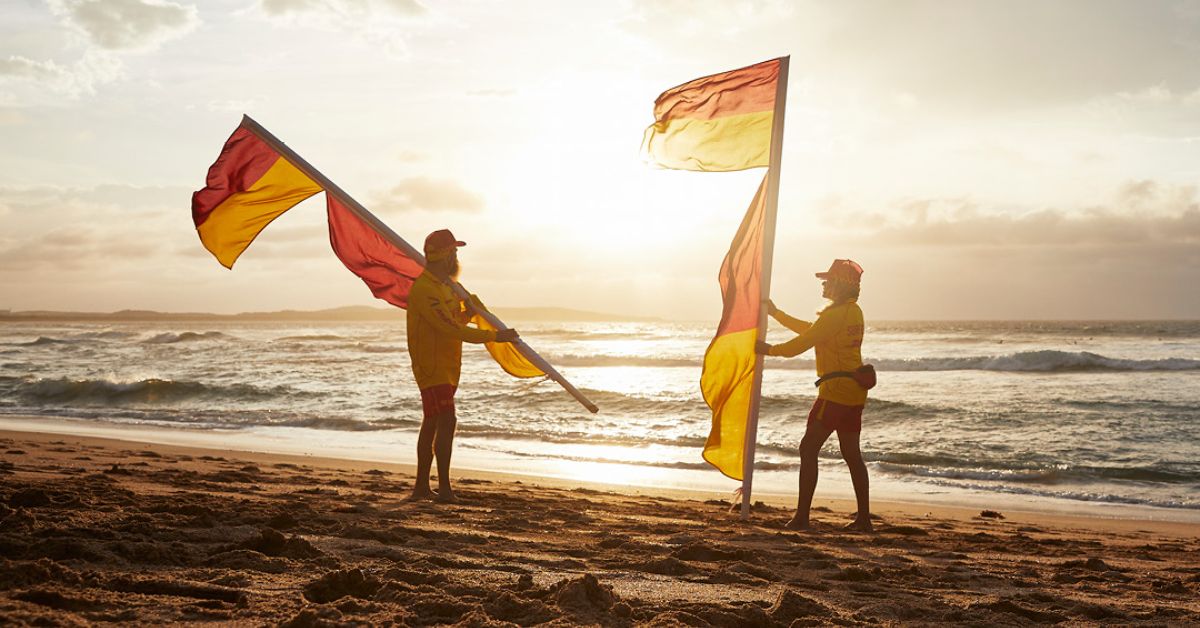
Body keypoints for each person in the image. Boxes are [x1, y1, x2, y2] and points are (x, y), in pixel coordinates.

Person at [756, 259, 872, 532]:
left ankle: (802, 518)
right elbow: (814, 330)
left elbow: (802, 343)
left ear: (840, 285)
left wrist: (767, 349)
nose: (824, 284)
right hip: (854, 394)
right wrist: (777, 314)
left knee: (808, 449)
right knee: (852, 454)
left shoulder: (834, 315)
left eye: (828, 280)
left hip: (834, 393)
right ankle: (864, 520)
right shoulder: (854, 312)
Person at [407, 229, 518, 502]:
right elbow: (450, 329)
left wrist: (471, 310)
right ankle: (444, 489)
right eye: (453, 252)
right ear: (444, 255)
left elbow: (455, 320)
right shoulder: (425, 289)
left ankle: (422, 487)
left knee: (433, 421)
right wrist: (495, 336)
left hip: (448, 365)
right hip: (431, 367)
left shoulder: (446, 287)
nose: (456, 257)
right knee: (446, 420)